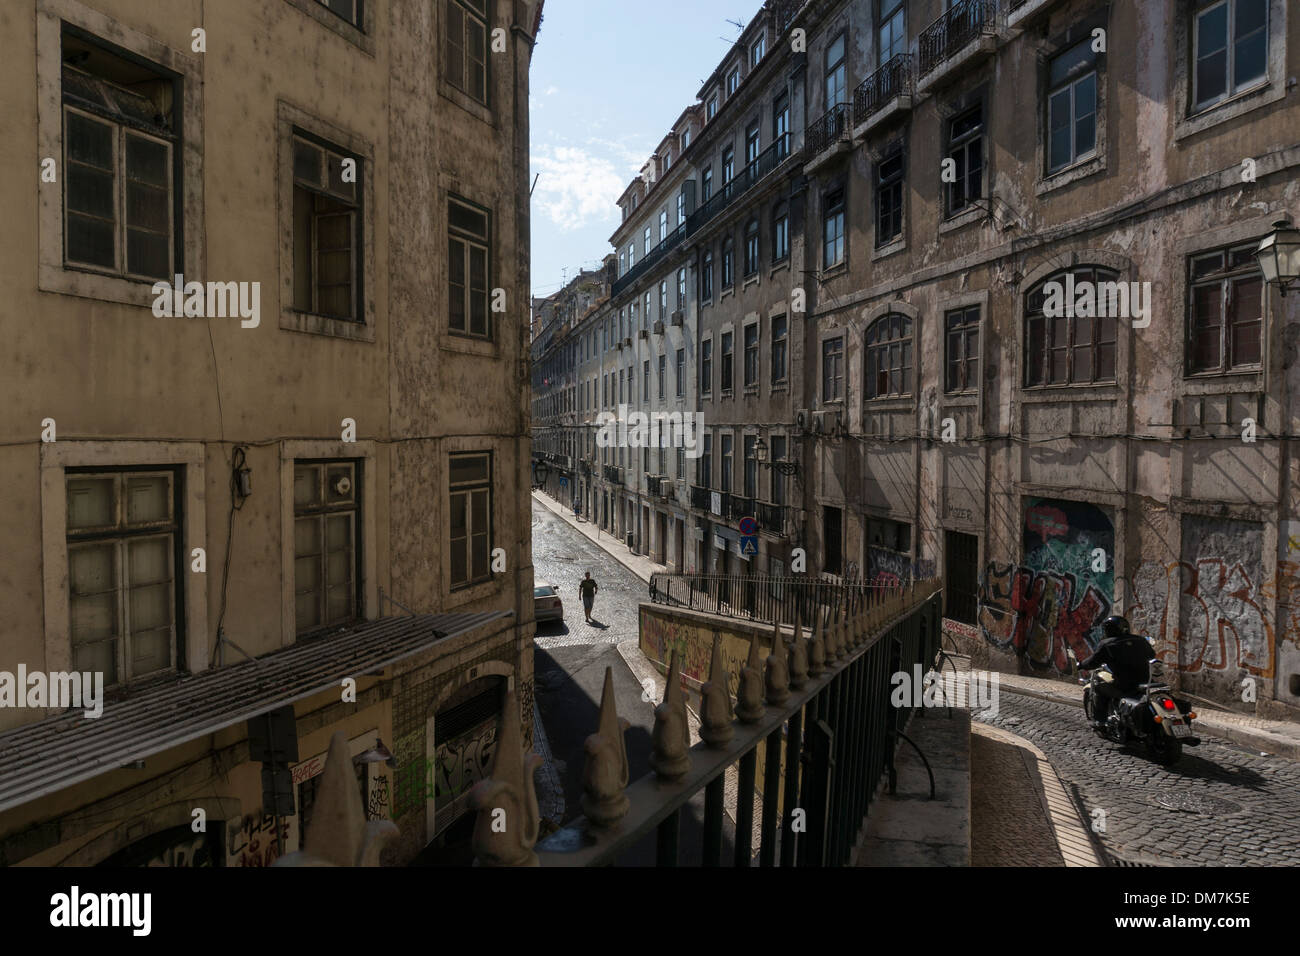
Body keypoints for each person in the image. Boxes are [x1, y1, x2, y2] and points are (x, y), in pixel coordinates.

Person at [1078, 615, 1153, 729]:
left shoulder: (1107, 644)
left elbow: (1093, 662)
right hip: (1146, 682)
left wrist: (1081, 664)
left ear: (1109, 630)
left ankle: (1100, 721)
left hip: (1124, 685)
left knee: (1099, 688)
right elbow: (1152, 655)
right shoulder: (1140, 640)